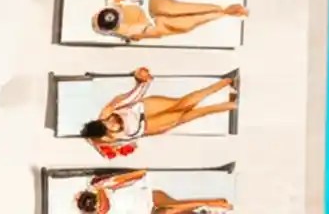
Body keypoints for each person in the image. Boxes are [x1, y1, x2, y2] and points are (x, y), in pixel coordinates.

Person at [81, 69, 237, 158]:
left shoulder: (106, 112)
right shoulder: (105, 139)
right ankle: (226, 105)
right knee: (183, 116)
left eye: (106, 122)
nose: (111, 124)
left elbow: (126, 98)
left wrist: (142, 85)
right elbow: (112, 150)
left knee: (181, 103)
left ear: (99, 120)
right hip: (146, 127)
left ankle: (222, 84)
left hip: (144, 108)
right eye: (108, 127)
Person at [94, 0, 248, 42]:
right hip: (150, 23)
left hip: (148, 4)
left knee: (171, 10)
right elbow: (152, 33)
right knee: (183, 26)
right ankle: (224, 12)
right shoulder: (124, 31)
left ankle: (220, 8)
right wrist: (157, 29)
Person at [74, 169, 234, 214]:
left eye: (96, 202)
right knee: (169, 212)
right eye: (94, 208)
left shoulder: (107, 186)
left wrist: (103, 184)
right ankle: (211, 207)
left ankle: (211, 204)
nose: (99, 206)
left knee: (173, 208)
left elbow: (139, 173)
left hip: (149, 197)